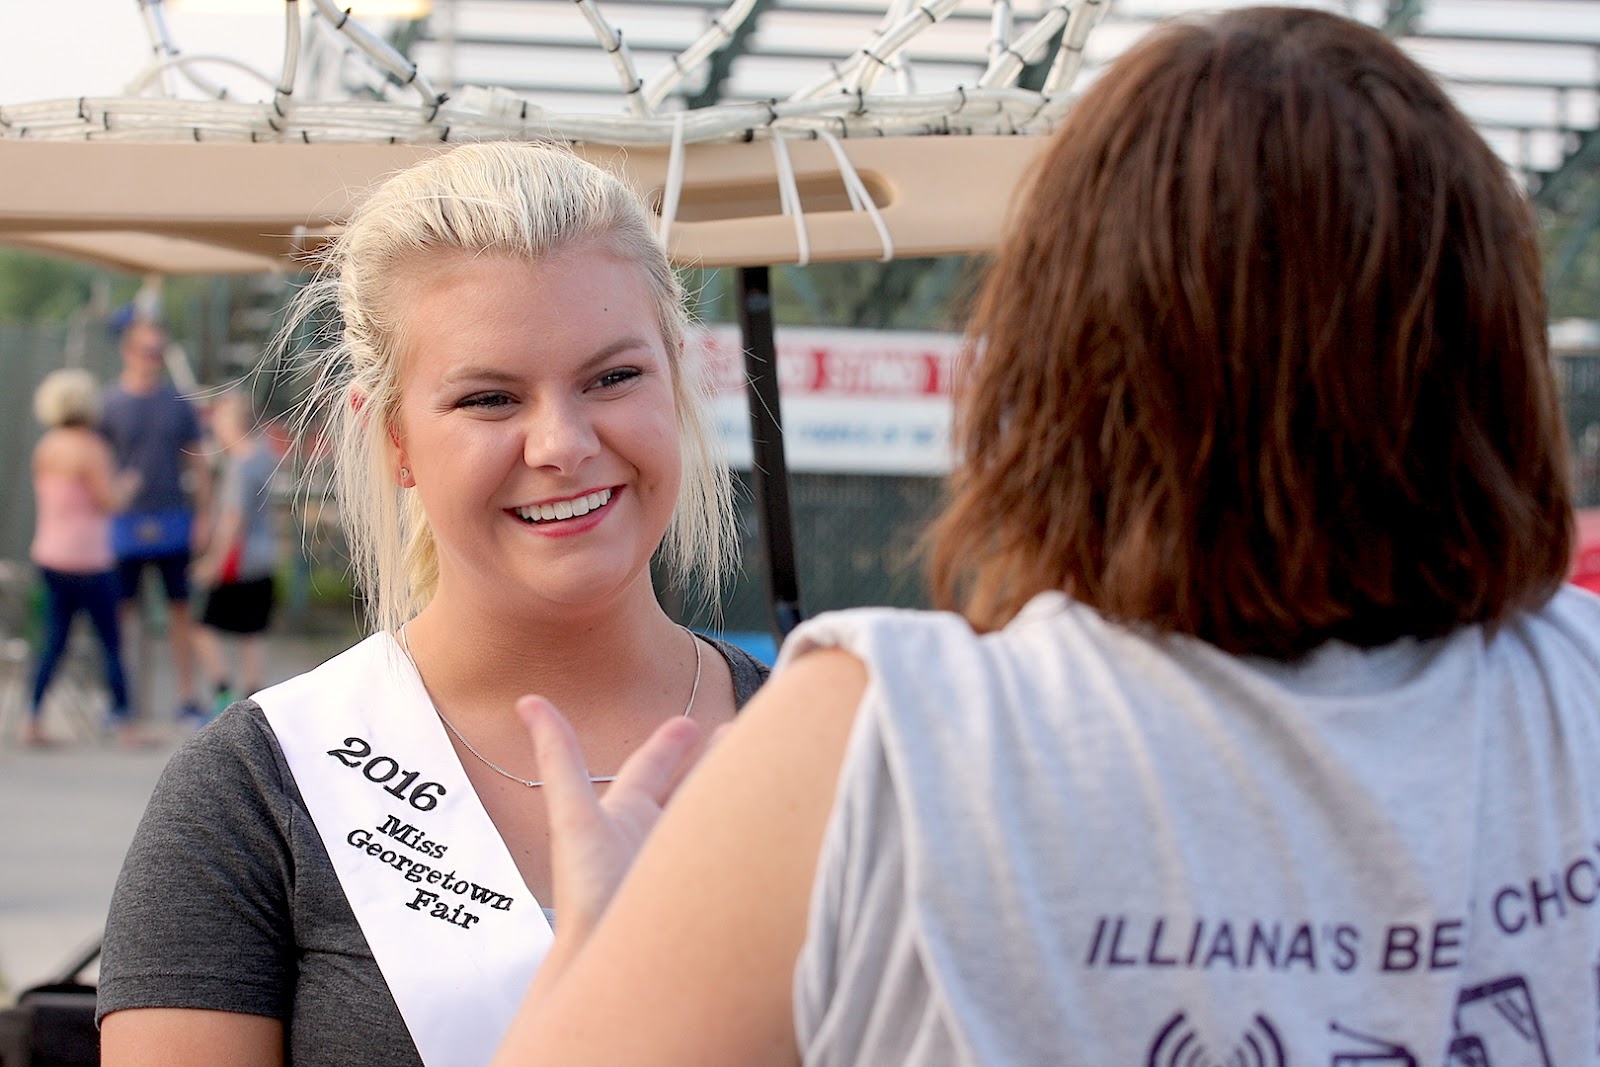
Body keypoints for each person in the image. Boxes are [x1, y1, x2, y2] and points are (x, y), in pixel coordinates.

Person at [486, 8, 1600, 1065]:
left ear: (1065, 358)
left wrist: (596, 935)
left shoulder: (876, 744)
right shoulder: (1577, 690)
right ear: (1490, 352)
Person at [97, 141, 768, 1067]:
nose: (563, 444)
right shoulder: (257, 792)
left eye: (614, 377)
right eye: (490, 398)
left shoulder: (827, 753)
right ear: (396, 439)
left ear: (677, 380)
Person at [100, 309, 212, 726]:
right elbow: (97, 466)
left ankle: (186, 698)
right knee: (120, 613)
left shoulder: (177, 403)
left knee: (180, 611)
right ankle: (120, 700)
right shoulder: (109, 404)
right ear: (129, 351)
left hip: (172, 519)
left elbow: (199, 463)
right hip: (124, 523)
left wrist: (203, 516)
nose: (155, 356)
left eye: (159, 349)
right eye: (148, 349)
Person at [26, 368, 142, 746]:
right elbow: (108, 501)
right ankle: (124, 722)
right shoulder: (91, 448)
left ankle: (33, 718)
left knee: (54, 640)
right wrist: (128, 486)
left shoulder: (47, 447)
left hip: (50, 553)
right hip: (89, 559)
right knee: (110, 641)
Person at [191, 388, 282, 719]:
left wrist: (214, 562)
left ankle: (221, 690)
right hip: (265, 556)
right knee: (252, 631)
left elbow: (233, 519)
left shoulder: (239, 467)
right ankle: (253, 697)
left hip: (238, 561)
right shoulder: (263, 456)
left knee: (202, 626)